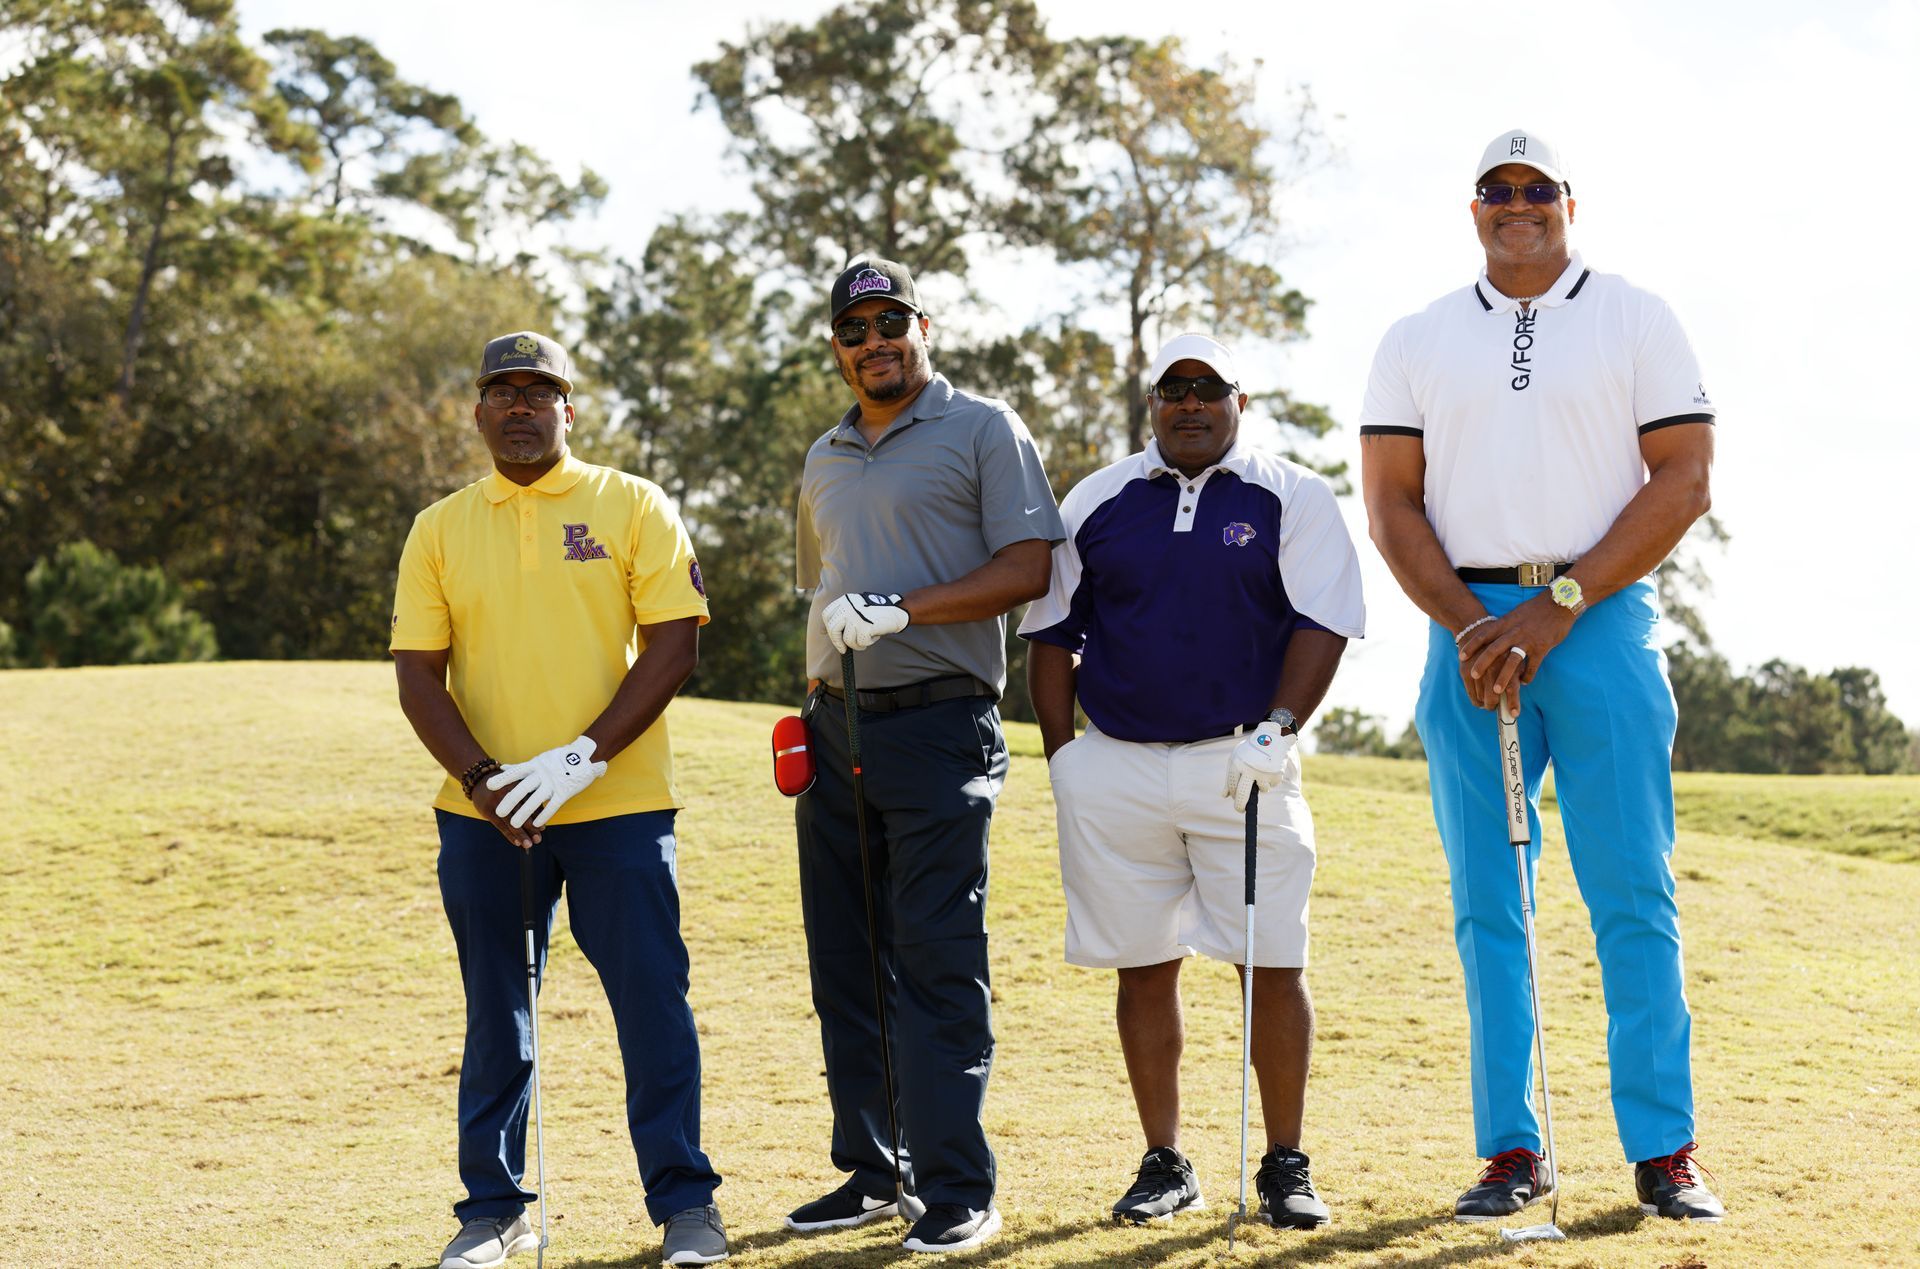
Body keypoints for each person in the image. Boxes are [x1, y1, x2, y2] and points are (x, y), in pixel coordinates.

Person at [1358, 128, 1725, 1224]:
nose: (1517, 204)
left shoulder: (1635, 315)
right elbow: (1390, 505)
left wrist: (1555, 610)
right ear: (1473, 209)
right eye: (1495, 190)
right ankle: (1510, 1151)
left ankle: (1664, 1152)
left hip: (1598, 621)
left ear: (1569, 201)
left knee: (1633, 893)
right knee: (1488, 905)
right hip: (1463, 627)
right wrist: (1479, 626)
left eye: (1536, 188)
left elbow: (1686, 479)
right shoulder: (1416, 335)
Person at [391, 331, 729, 1267]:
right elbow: (419, 675)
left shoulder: (631, 503)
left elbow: (674, 645)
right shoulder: (441, 525)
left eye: (540, 392)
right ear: (479, 410)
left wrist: (582, 757)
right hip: (484, 816)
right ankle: (493, 1209)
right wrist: (483, 780)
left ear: (569, 408)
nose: (521, 407)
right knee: (497, 1008)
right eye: (503, 391)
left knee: (652, 1003)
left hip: (619, 807)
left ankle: (687, 1206)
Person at [1020, 332, 1365, 1231]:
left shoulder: (1291, 494)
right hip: (1119, 764)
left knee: (1272, 959)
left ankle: (1286, 1160)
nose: (1191, 403)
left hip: (1243, 764)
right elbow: (1052, 634)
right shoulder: (1098, 498)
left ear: (1239, 402)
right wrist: (1064, 760)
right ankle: (1164, 1161)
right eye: (1173, 390)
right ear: (1152, 405)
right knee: (1142, 963)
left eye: (1208, 389)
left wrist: (1279, 730)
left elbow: (1321, 622)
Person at [788, 257, 1063, 1254]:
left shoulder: (983, 428)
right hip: (836, 730)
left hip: (942, 721)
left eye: (891, 321)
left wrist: (905, 610)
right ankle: (873, 1174)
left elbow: (1028, 568)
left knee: (938, 961)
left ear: (924, 326)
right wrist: (810, 695)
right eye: (856, 329)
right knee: (847, 964)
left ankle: (959, 1188)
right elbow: (824, 589)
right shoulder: (824, 454)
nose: (875, 342)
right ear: (838, 348)